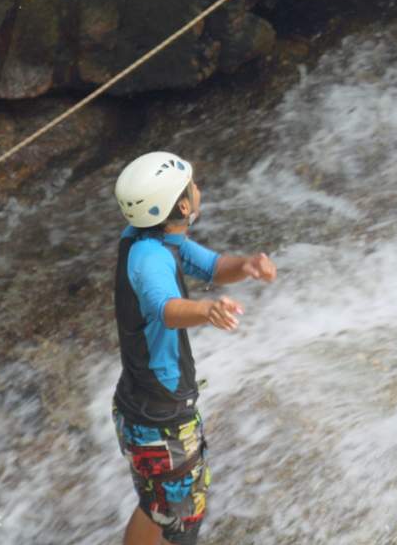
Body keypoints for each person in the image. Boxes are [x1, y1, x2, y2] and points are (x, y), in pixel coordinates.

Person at [111, 151, 277, 545]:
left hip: (141, 405)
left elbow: (213, 266)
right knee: (182, 523)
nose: (198, 188)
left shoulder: (148, 236)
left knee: (155, 503)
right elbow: (166, 308)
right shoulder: (150, 258)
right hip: (161, 419)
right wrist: (206, 310)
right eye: (192, 185)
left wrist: (247, 265)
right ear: (184, 206)